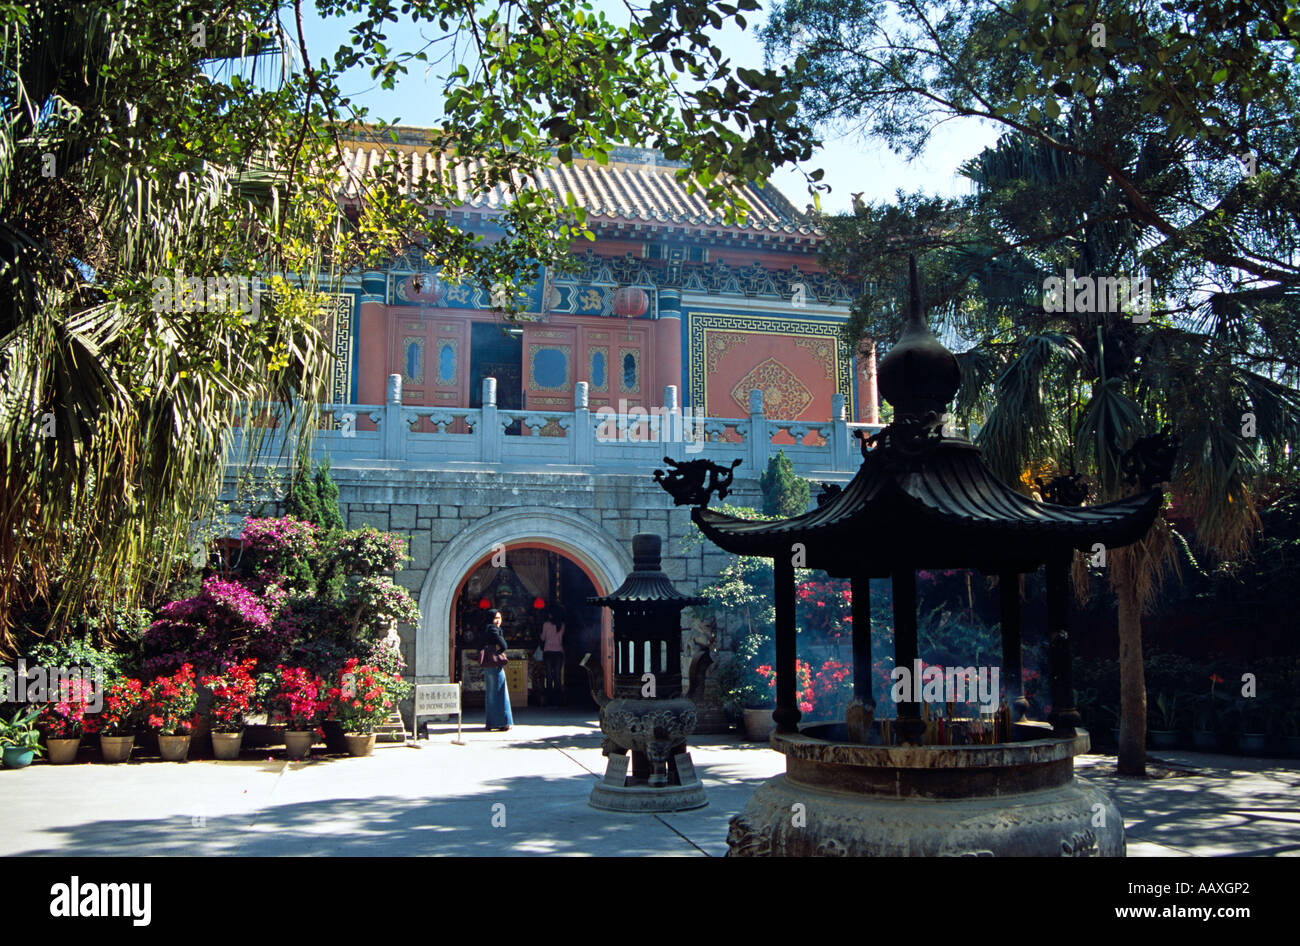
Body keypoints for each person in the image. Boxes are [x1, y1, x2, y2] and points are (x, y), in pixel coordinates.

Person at [480, 610, 513, 731]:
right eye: (495, 618)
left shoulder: (484, 629)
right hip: (495, 664)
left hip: (488, 664)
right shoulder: (493, 630)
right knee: (500, 692)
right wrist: (498, 653)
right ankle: (503, 722)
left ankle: (491, 722)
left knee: (490, 694)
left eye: (499, 617)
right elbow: (504, 645)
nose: (498, 620)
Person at [540, 609, 566, 707]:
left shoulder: (546, 624)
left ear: (550, 615)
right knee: (558, 675)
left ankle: (549, 699)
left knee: (549, 675)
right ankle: (558, 700)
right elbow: (561, 639)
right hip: (559, 652)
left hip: (548, 652)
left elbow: (543, 638)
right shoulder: (562, 625)